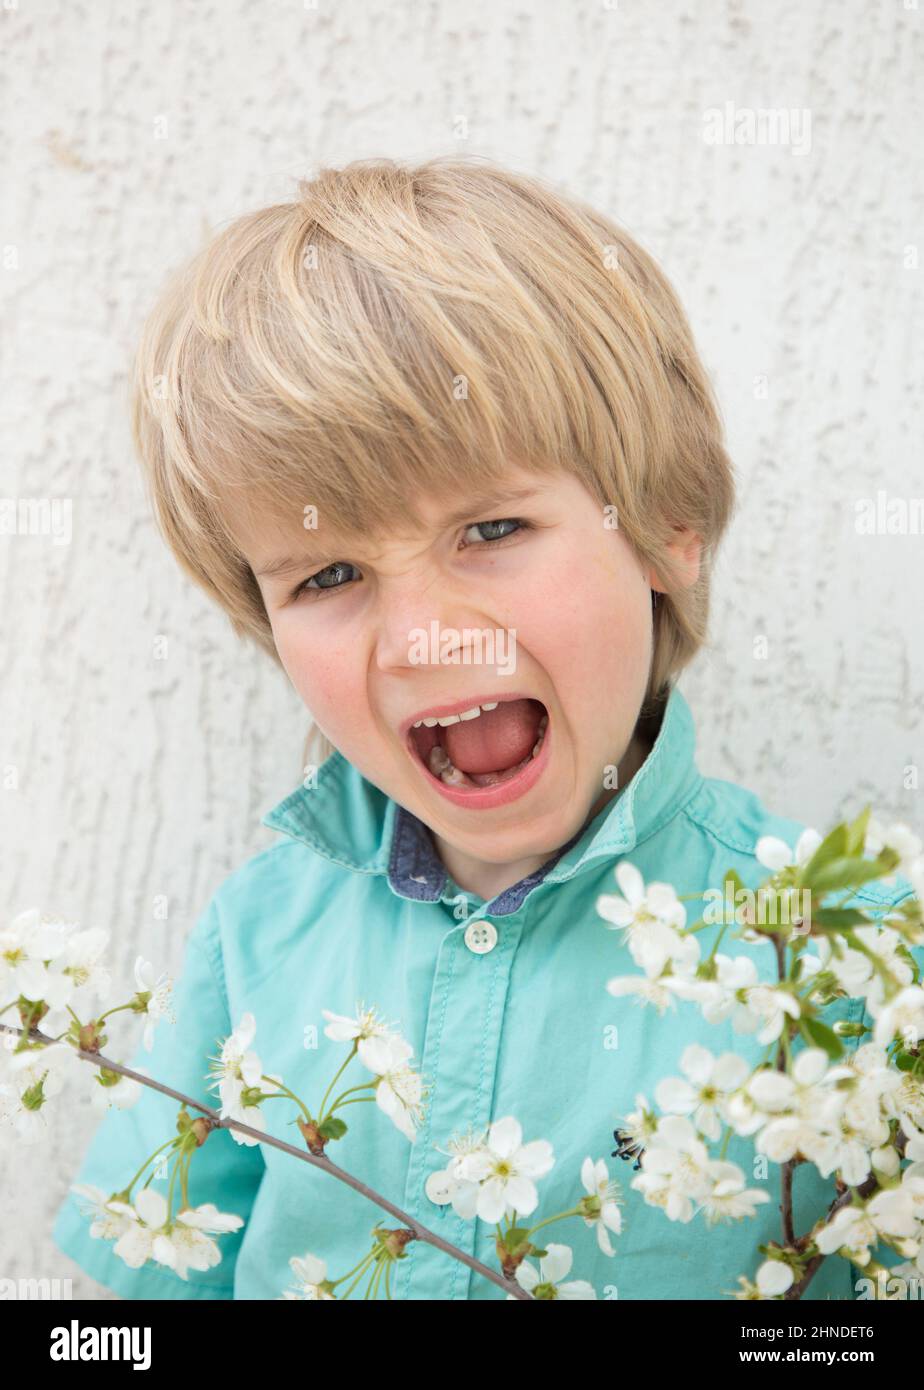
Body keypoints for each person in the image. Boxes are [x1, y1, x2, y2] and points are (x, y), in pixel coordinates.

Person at [51, 157, 918, 1300]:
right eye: (330, 573)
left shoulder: (847, 951)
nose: (422, 638)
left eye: (492, 526)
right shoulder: (256, 937)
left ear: (667, 525)